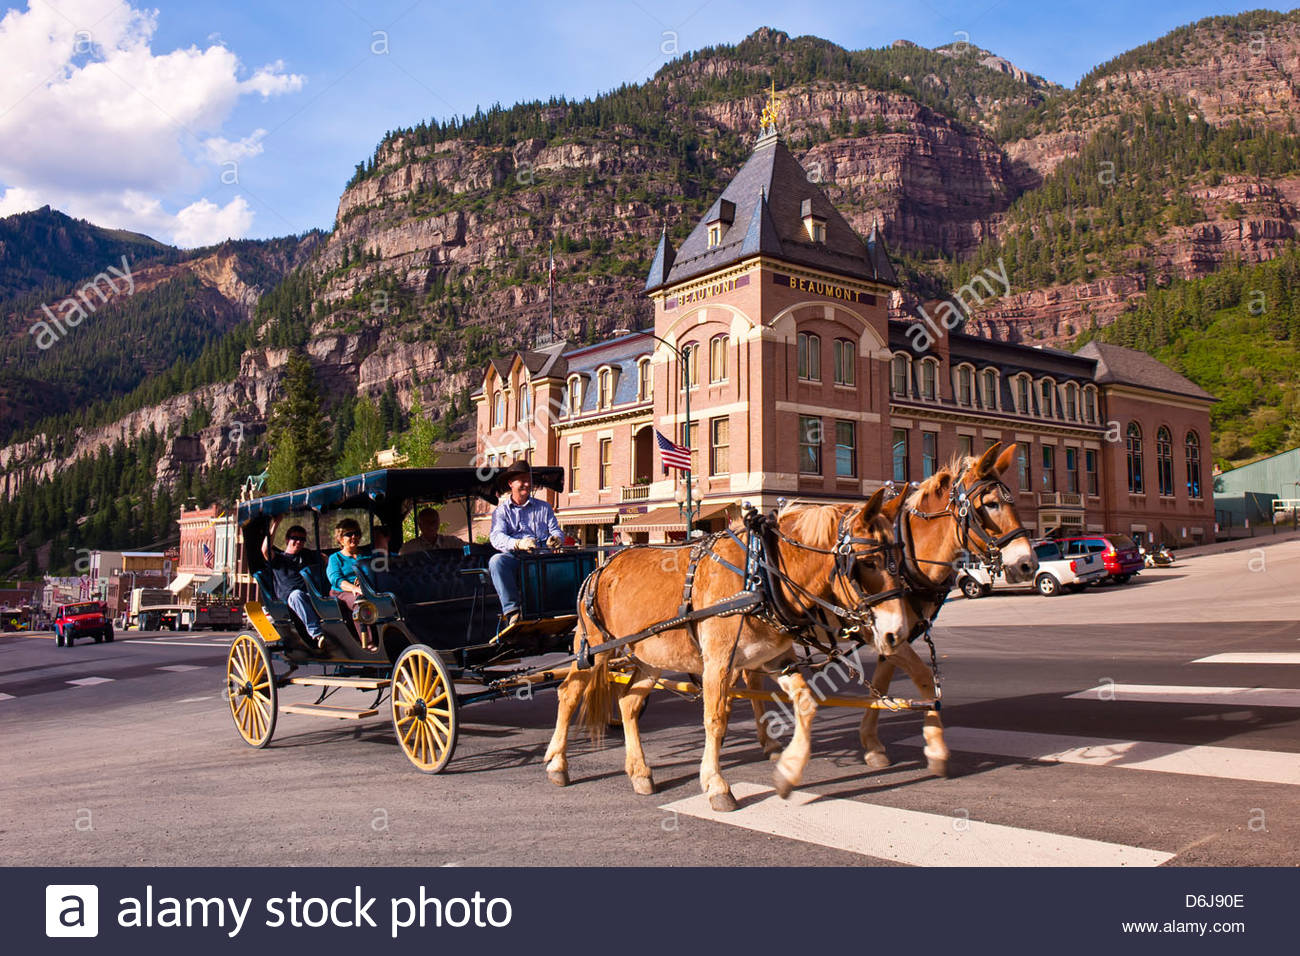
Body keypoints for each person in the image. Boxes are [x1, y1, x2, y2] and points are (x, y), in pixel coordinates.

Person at [488, 459, 563, 627]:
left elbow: (556, 530)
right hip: (515, 557)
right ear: (511, 483)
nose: (527, 484)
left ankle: (565, 604)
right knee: (496, 562)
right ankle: (512, 611)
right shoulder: (501, 512)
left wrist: (556, 539)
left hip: (541, 556)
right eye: (522, 480)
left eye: (528, 479)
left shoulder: (544, 508)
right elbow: (496, 537)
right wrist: (519, 543)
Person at [261, 517, 326, 648]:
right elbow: (265, 550)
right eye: (295, 538)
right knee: (297, 595)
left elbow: (326, 559)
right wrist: (276, 523)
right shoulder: (279, 558)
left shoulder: (307, 555)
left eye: (302, 539)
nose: (298, 542)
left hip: (310, 596)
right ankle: (317, 633)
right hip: (288, 600)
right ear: (287, 539)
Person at [327, 518, 366, 610]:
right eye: (349, 534)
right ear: (340, 539)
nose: (353, 536)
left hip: (366, 589)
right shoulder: (335, 558)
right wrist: (354, 588)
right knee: (361, 604)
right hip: (342, 592)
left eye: (356, 533)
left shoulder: (365, 556)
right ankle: (363, 625)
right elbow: (337, 580)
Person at [399, 507, 464, 553]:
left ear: (438, 523)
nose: (431, 525)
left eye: (434, 522)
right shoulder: (409, 548)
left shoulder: (452, 542)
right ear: (420, 525)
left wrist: (466, 555)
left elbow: (468, 549)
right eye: (427, 522)